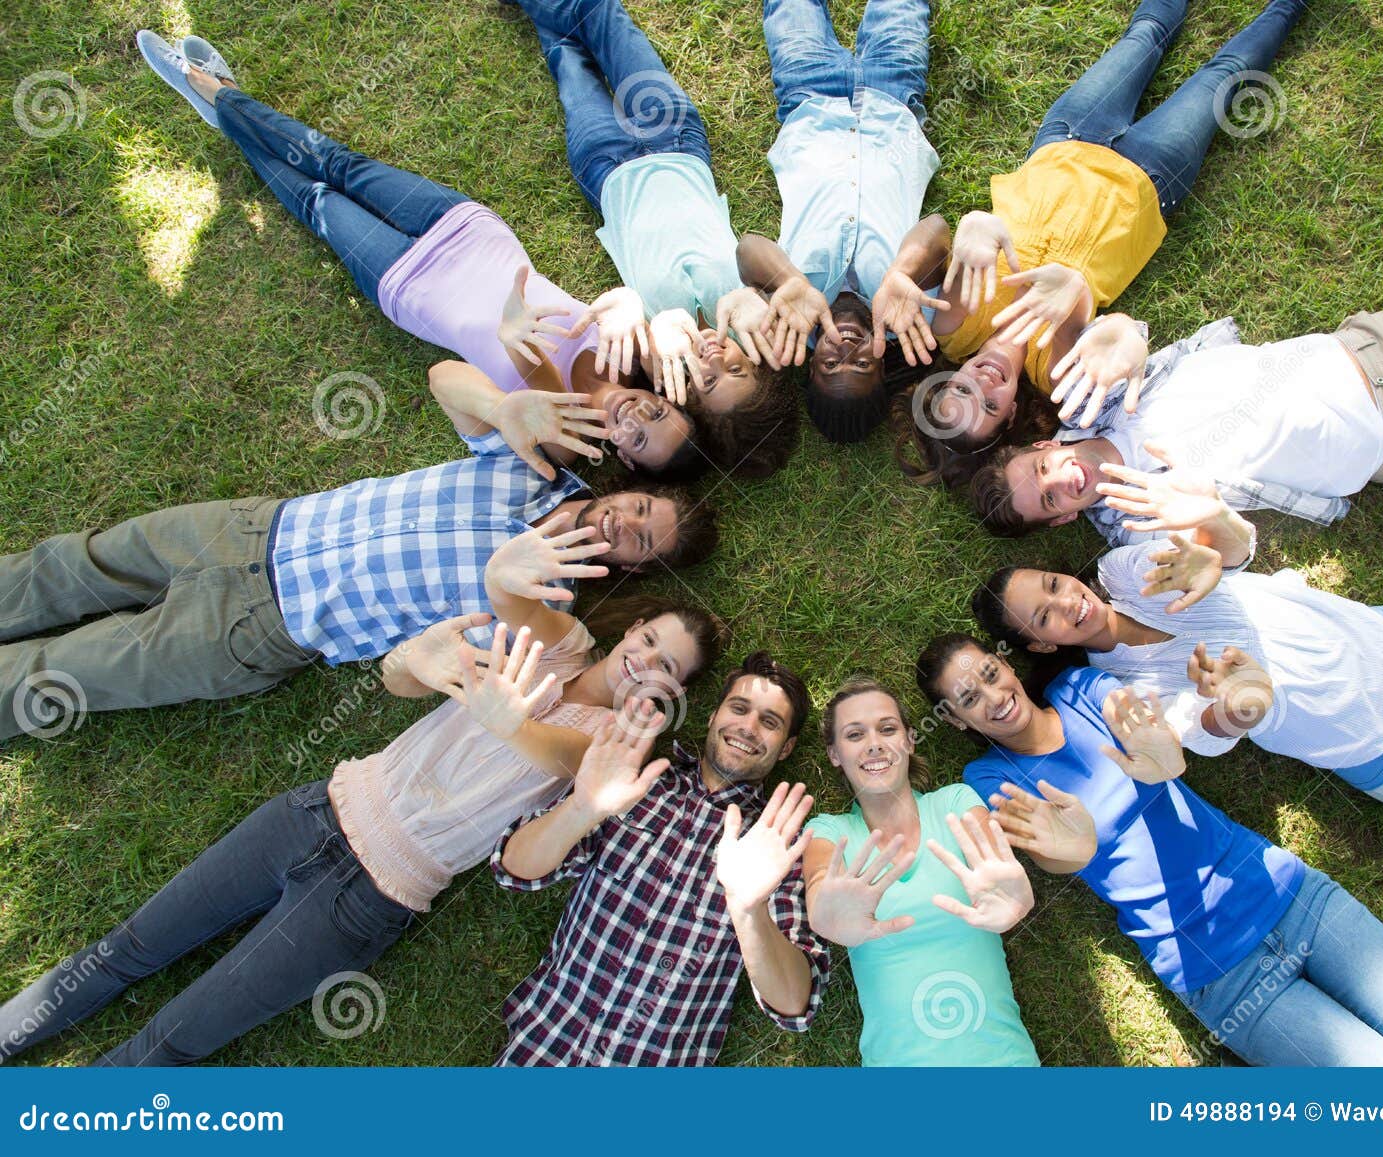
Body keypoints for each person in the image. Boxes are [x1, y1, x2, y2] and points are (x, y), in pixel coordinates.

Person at [0, 556, 728, 1064]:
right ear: (631, 628)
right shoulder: (559, 643)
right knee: (122, 948)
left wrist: (504, 717)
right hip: (313, 812)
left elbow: (551, 753)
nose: (647, 659)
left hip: (368, 899)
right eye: (650, 639)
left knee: (175, 1040)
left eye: (669, 668)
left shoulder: (613, 750)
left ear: (671, 696)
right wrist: (415, 655)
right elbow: (439, 650)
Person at [0, 359, 716, 742]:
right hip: (256, 527)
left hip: (264, 626)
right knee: (67, 565)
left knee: (56, 674)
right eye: (643, 509)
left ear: (632, 568)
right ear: (627, 487)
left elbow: (413, 674)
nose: (628, 525)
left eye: (643, 543)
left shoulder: (543, 616)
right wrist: (499, 405)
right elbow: (444, 380)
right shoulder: (532, 464)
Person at [916, 632, 1383, 1066]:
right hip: (1222, 977)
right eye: (968, 698)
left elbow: (1153, 730)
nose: (993, 696)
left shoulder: (1081, 689)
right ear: (959, 721)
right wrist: (1074, 852)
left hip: (1292, 898)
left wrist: (1166, 757)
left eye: (989, 674)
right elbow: (1051, 850)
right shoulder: (989, 780)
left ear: (1007, 667)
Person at [135, 28, 710, 481]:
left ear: (626, 462)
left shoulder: (560, 444)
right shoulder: (629, 356)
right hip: (469, 232)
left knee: (314, 199)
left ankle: (218, 101)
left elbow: (472, 375)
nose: (634, 418)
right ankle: (220, 97)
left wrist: (518, 341)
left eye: (638, 439)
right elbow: (624, 300)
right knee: (337, 162)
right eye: (655, 413)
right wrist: (630, 304)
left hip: (407, 284)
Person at [970, 463, 1383, 853]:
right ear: (1043, 645)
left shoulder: (1124, 569)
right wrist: (1237, 708)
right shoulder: (1114, 690)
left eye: (1053, 585)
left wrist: (1212, 545)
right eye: (1045, 616)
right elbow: (1201, 736)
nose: (1067, 603)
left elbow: (1232, 548)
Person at [891, 0, 1309, 479]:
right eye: (989, 406)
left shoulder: (954, 330)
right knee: (1225, 74)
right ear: (1010, 417)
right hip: (1147, 181)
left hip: (1063, 143)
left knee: (1146, 34)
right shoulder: (1053, 375)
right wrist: (1073, 287)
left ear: (948, 377)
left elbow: (966, 238)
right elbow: (1079, 308)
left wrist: (974, 224)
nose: (984, 384)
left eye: (962, 390)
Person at [970, 273, 1383, 540]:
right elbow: (1222, 550)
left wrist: (1124, 330)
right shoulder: (1137, 525)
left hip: (1371, 344)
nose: (1062, 481)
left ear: (1042, 446)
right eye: (1051, 500)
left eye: (1040, 470)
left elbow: (1095, 321)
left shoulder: (1087, 401)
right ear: (1059, 522)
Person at [491, 651, 830, 1064]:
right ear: (712, 718)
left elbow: (796, 1006)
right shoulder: (635, 786)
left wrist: (748, 910)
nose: (748, 727)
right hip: (538, 1049)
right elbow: (514, 871)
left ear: (786, 749)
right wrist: (583, 807)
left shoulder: (776, 847)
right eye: (739, 708)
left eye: (770, 722)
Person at [513, 0, 799, 477]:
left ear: (685, 397)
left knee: (567, 59)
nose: (714, 358)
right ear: (756, 361)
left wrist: (654, 318)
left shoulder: (655, 353)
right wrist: (751, 293)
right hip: (678, 141)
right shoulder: (749, 318)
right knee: (605, 19)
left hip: (604, 167)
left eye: (707, 382)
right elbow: (754, 250)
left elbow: (624, 316)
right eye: (737, 369)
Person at [735, 0, 944, 443]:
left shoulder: (788, 316)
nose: (846, 349)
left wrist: (791, 280)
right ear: (881, 362)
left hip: (807, 102)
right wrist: (901, 273)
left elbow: (749, 248)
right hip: (893, 100)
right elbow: (938, 229)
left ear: (809, 366)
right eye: (862, 363)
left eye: (831, 364)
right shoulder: (908, 314)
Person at [804, 678, 1040, 1066]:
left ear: (910, 740)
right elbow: (818, 883)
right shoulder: (831, 832)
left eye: (887, 728)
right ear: (834, 754)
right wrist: (825, 914)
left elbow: (996, 865)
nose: (874, 743)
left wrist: (1012, 898)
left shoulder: (954, 802)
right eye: (854, 734)